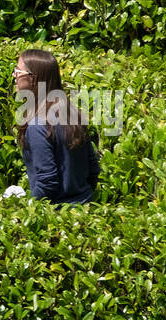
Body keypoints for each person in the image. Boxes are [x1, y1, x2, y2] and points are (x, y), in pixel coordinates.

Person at [12, 49, 100, 204]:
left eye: (18, 71)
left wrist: (24, 206)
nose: (14, 76)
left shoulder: (37, 126)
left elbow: (48, 184)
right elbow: (93, 169)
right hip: (85, 209)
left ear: (33, 79)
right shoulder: (72, 114)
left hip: (56, 215)